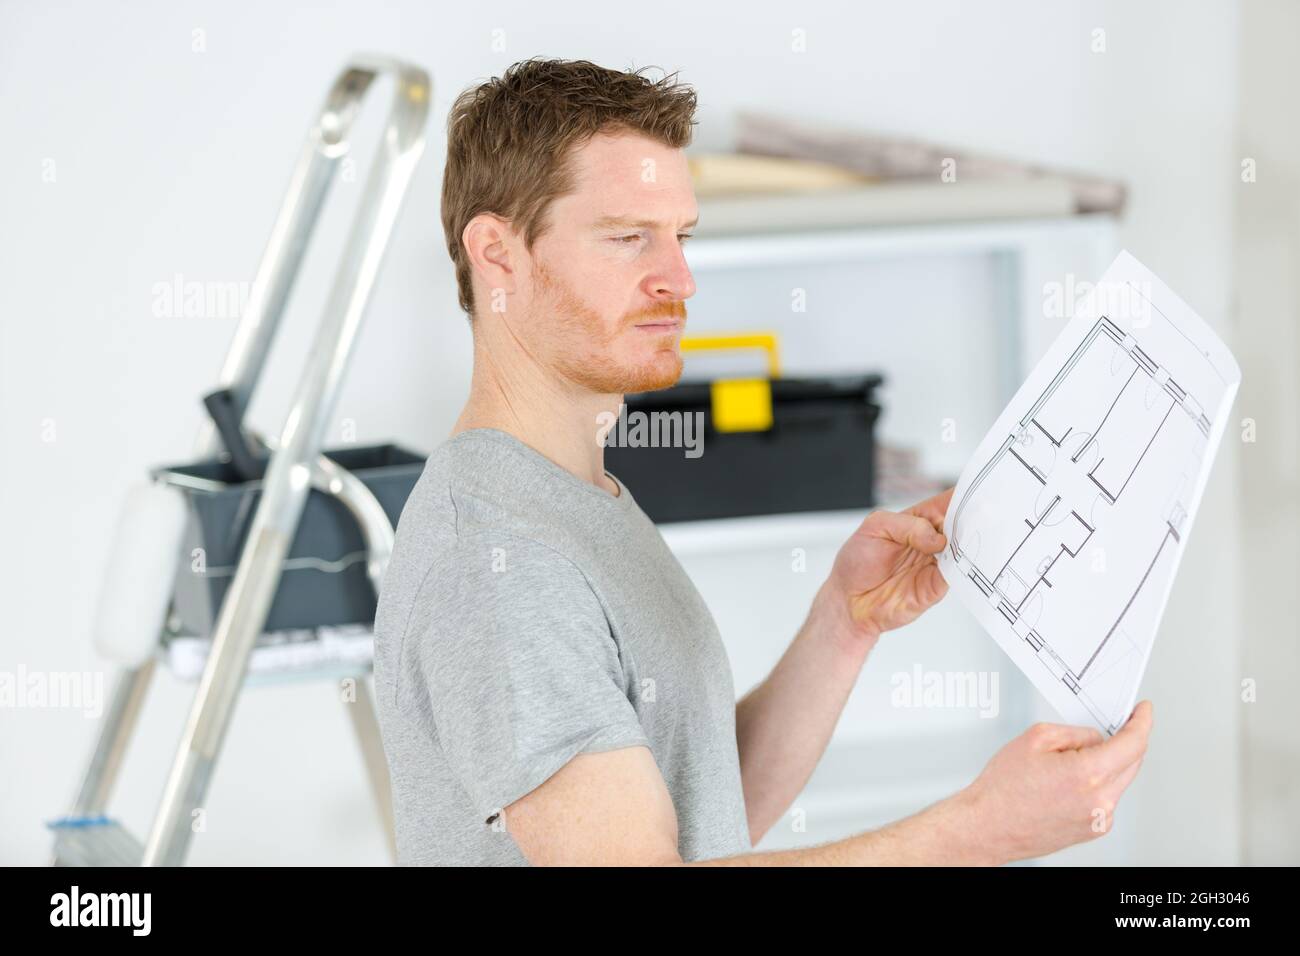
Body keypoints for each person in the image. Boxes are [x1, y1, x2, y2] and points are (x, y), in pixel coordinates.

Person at [372, 57, 1153, 866]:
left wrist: (843, 624)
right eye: (628, 237)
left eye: (681, 236)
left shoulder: (574, 498)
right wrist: (978, 832)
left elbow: (696, 805)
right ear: (497, 254)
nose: (678, 279)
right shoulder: (500, 562)